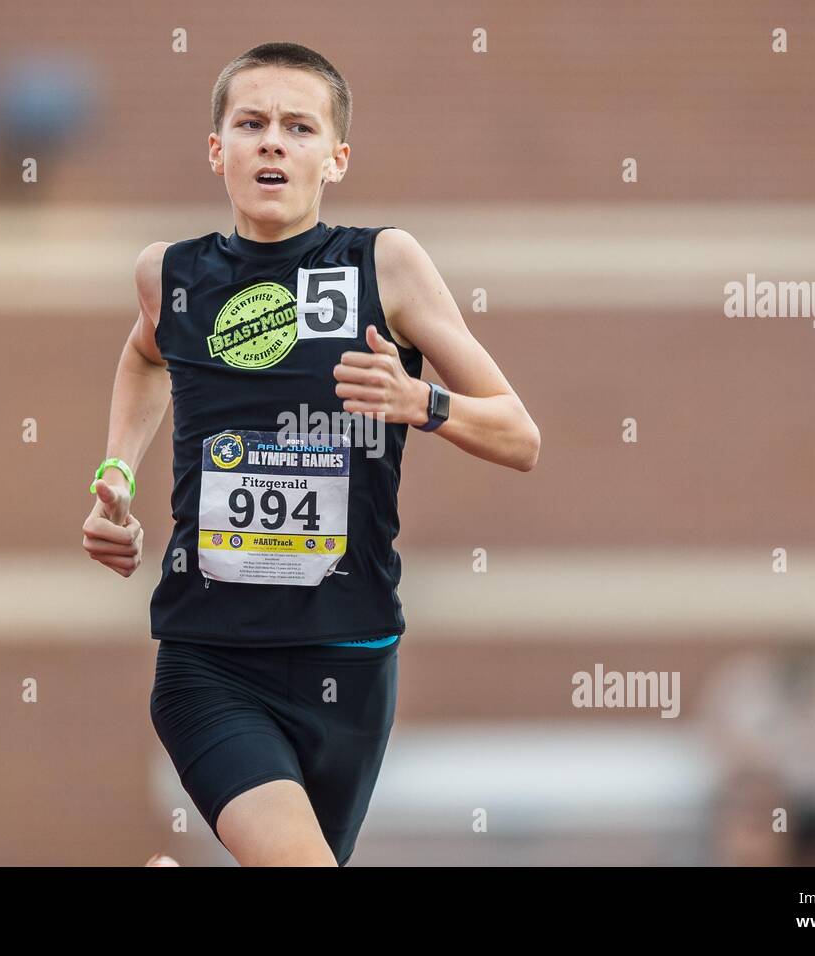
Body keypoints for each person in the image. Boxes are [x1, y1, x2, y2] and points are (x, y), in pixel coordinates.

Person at [82, 41, 539, 866]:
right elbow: (145, 356)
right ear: (217, 149)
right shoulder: (170, 275)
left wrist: (421, 402)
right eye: (251, 123)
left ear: (336, 158)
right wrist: (114, 475)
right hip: (210, 663)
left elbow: (520, 435)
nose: (272, 142)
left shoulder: (384, 265)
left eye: (298, 127)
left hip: (352, 663)